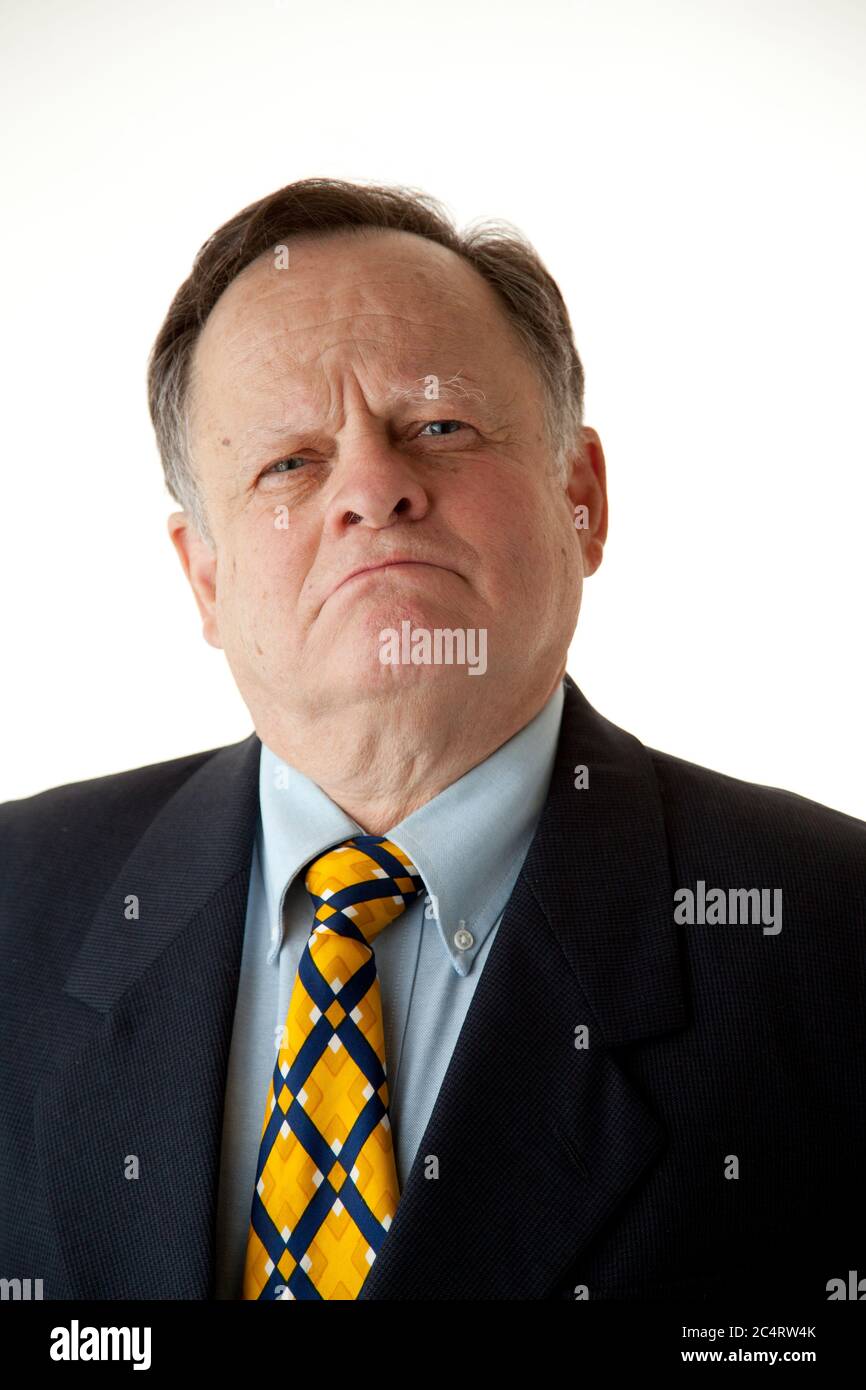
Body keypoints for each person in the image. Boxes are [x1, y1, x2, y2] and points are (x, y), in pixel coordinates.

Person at [1, 178, 863, 1302]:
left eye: (437, 426)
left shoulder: (831, 941)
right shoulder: (16, 905)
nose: (372, 487)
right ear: (203, 578)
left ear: (581, 497)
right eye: (288, 463)